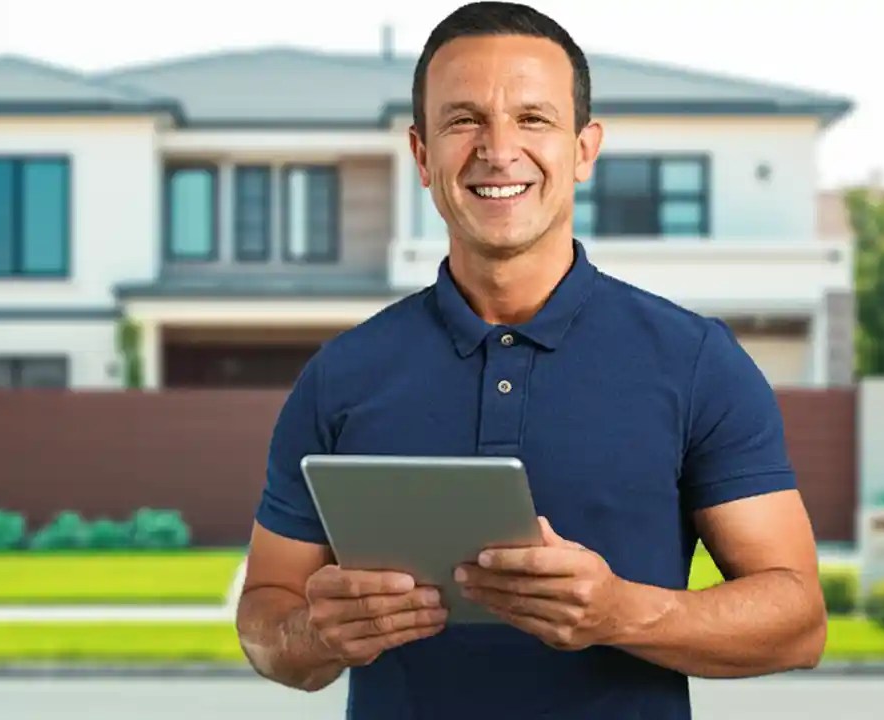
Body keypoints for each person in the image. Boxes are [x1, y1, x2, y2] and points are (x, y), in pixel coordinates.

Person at [234, 2, 827, 717]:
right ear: (422, 156)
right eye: (463, 121)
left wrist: (619, 613)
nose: (497, 149)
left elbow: (798, 622)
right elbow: (265, 615)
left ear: (584, 149)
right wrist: (312, 634)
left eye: (532, 118)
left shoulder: (697, 362)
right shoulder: (341, 375)